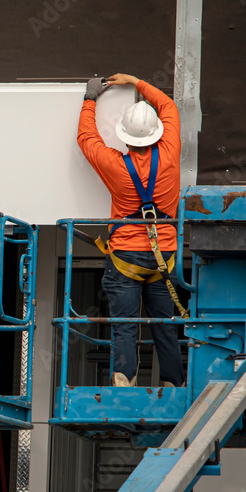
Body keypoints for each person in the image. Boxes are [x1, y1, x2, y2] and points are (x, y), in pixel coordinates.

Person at [77, 73, 184, 387]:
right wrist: (136, 82)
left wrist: (90, 99)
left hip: (126, 258)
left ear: (126, 137)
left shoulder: (115, 165)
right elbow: (168, 106)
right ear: (157, 133)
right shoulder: (171, 152)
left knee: (125, 326)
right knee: (165, 326)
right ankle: (173, 386)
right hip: (165, 257)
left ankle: (125, 384)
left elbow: (87, 138)